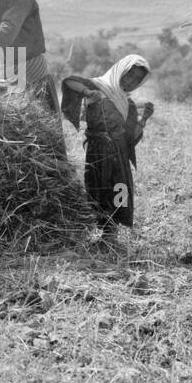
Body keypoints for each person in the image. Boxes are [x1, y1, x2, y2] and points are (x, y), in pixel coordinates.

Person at [61, 54, 154, 248]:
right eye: (130, 75)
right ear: (121, 69)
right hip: (98, 151)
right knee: (97, 188)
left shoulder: (127, 104)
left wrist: (143, 119)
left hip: (119, 154)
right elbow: (69, 82)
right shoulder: (98, 86)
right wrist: (87, 92)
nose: (131, 81)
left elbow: (130, 138)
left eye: (137, 80)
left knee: (120, 189)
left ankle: (112, 233)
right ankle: (101, 229)